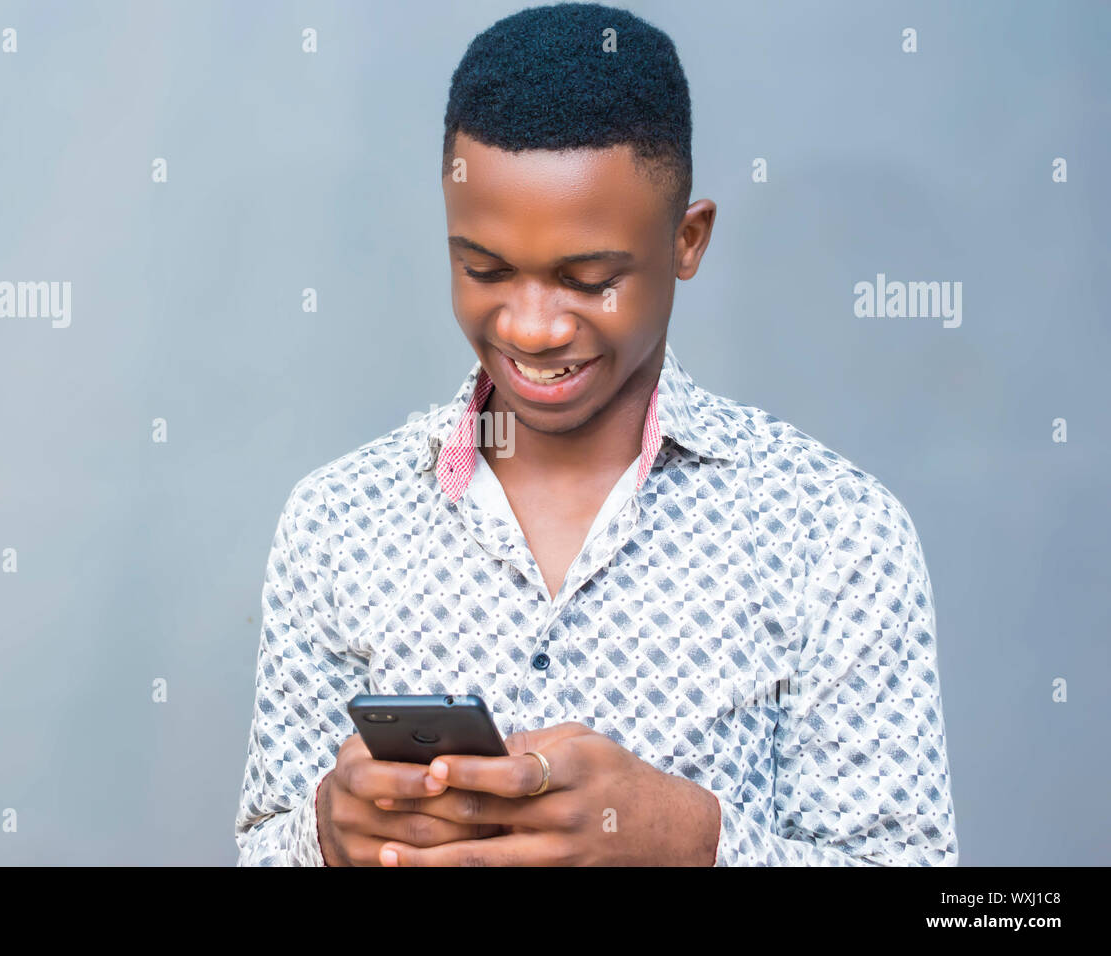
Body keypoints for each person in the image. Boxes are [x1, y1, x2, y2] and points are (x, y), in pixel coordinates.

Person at [234, 2, 957, 866]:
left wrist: (691, 843)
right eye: (485, 269)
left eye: (587, 280)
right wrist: (325, 833)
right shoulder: (337, 521)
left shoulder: (834, 534)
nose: (533, 327)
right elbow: (264, 844)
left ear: (687, 241)